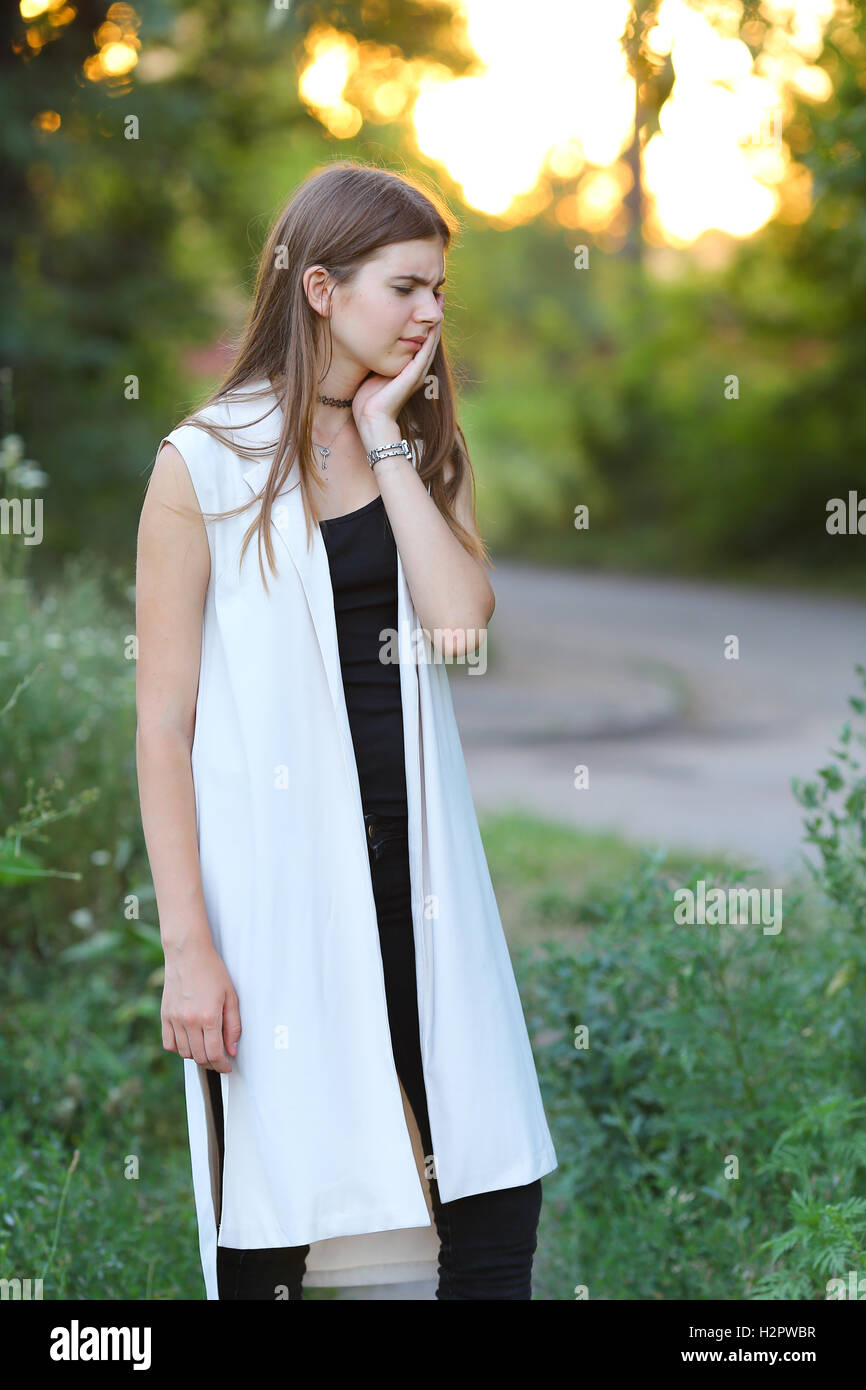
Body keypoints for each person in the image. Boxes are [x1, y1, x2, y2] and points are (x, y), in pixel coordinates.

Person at [135, 160, 557, 1301]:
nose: (430, 312)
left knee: (483, 1179)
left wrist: (383, 437)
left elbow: (460, 625)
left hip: (421, 871)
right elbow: (161, 725)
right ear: (318, 287)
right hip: (274, 884)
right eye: (406, 286)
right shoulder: (202, 463)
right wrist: (189, 948)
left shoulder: (420, 444)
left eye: (437, 291)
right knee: (270, 1198)